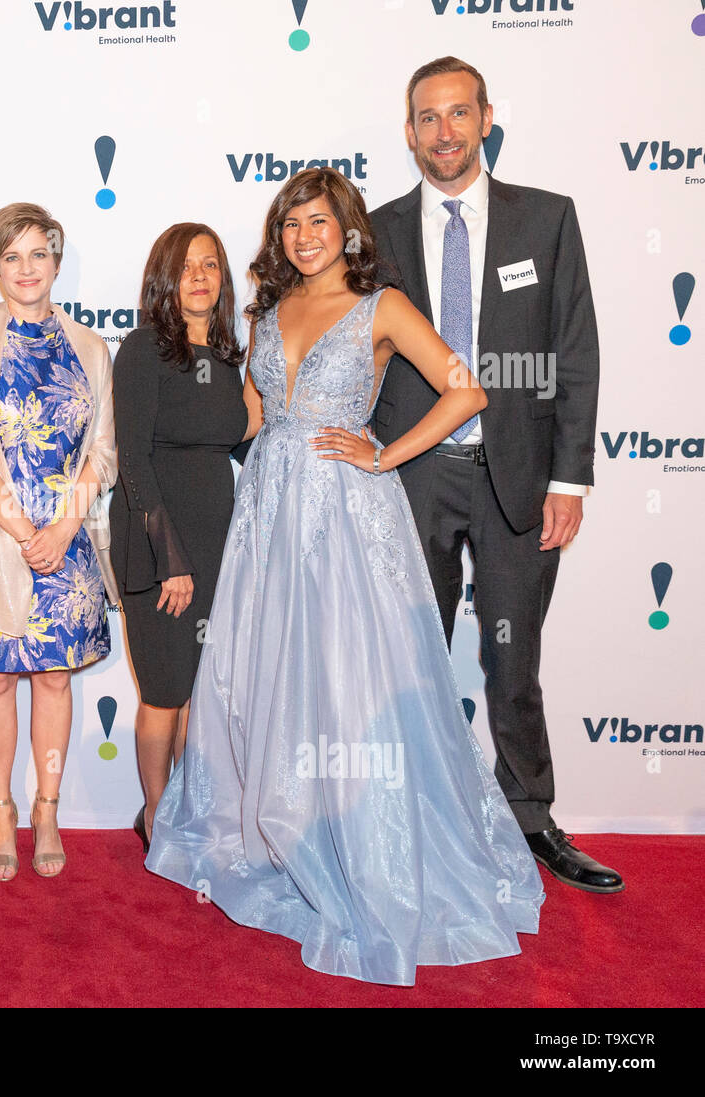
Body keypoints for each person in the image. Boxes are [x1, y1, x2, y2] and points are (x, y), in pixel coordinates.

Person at [145, 167, 544, 986]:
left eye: (319, 221)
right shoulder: (265, 311)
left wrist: (385, 452)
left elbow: (465, 393)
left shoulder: (384, 306)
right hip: (266, 508)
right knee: (270, 672)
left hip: (347, 511)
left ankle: (364, 838)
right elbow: (252, 417)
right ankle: (281, 826)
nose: (304, 236)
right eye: (291, 224)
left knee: (353, 679)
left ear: (348, 228)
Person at [370, 57, 616, 892]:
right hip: (412, 479)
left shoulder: (546, 220)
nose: (444, 132)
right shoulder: (374, 232)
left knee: (513, 662)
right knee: (408, 662)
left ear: (485, 119)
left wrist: (569, 479)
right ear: (410, 132)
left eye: (458, 114)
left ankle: (531, 819)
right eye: (428, 118)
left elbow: (573, 353)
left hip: (518, 476)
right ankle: (407, 819)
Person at [0, 202, 117, 881]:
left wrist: (62, 526)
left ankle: (47, 806)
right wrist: (23, 529)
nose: (27, 268)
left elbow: (104, 452)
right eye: (13, 256)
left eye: (39, 254)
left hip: (66, 541)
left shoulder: (92, 348)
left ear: (56, 262)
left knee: (55, 678)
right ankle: (1, 809)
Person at [107, 224, 247, 853]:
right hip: (159, 543)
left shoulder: (227, 360)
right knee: (165, 693)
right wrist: (170, 561)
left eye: (211, 265)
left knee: (201, 697)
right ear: (165, 278)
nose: (199, 276)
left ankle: (192, 811)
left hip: (218, 542)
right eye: (186, 266)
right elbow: (133, 459)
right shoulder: (143, 351)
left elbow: (246, 440)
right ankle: (158, 815)